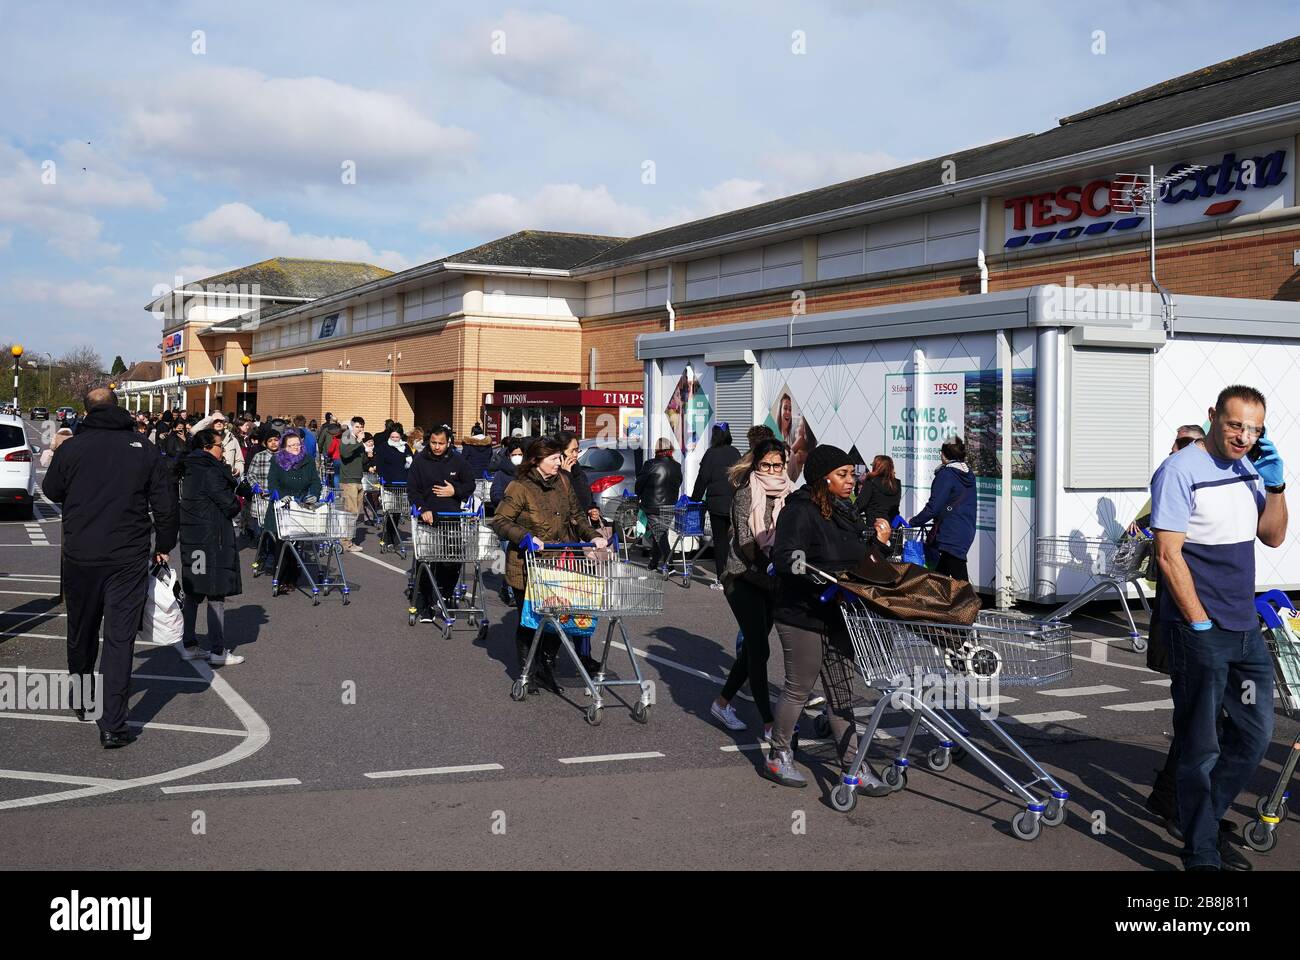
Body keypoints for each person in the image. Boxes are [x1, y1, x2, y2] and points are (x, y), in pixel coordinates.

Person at [1151, 384, 1286, 871]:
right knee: (1201, 746)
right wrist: (1200, 624)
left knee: (1254, 735)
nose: (1244, 437)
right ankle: (1201, 853)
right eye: (1235, 425)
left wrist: (1276, 487)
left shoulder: (1251, 468)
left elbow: (1272, 536)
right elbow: (1168, 554)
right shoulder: (1179, 470)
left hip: (1245, 627)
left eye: (1254, 429)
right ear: (1213, 416)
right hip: (1200, 631)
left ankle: (1200, 822)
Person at [41, 388, 177, 748]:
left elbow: (52, 491)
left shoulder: (72, 448)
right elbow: (165, 502)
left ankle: (83, 696)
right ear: (118, 408)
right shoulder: (142, 447)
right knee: (119, 638)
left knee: (81, 630)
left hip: (82, 553)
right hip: (127, 554)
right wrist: (164, 545)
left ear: (86, 412)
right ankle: (113, 724)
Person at [762, 443, 894, 794]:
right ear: (824, 479)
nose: (851, 480)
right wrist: (817, 576)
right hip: (801, 613)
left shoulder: (847, 513)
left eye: (852, 474)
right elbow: (785, 556)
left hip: (839, 613)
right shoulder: (799, 510)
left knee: (841, 692)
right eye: (843, 474)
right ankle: (778, 754)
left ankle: (853, 764)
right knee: (799, 687)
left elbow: (862, 564)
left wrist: (881, 544)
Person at [490, 437, 606, 694]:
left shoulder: (563, 482)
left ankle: (545, 668)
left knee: (558, 619)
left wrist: (593, 536)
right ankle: (527, 673)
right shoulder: (519, 487)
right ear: (537, 460)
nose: (558, 462)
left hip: (559, 564)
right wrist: (525, 537)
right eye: (553, 458)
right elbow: (500, 520)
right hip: (527, 565)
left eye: (559, 457)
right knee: (530, 622)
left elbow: (577, 516)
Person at [711, 438, 791, 739]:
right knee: (760, 648)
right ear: (756, 464)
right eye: (765, 465)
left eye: (777, 465)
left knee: (752, 652)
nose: (771, 470)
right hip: (741, 576)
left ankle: (721, 703)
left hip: (773, 580)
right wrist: (768, 564)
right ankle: (769, 723)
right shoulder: (746, 492)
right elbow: (745, 540)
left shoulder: (790, 493)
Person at [176, 430, 244, 665]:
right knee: (216, 593)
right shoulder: (210, 470)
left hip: (193, 537)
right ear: (207, 447)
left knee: (194, 592)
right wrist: (236, 494)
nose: (222, 450)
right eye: (219, 446)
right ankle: (218, 650)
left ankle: (189, 644)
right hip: (211, 539)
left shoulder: (190, 467)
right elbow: (230, 505)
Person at [407, 424, 474, 623]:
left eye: (441, 443)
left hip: (451, 518)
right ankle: (425, 604)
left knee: (451, 560)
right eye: (433, 443)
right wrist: (422, 508)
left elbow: (470, 485)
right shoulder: (420, 461)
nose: (437, 447)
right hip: (427, 519)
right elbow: (413, 490)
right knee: (427, 562)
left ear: (448, 442)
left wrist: (455, 491)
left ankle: (445, 595)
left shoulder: (458, 461)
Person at [909, 437, 976, 581]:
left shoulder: (946, 475)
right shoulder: (969, 474)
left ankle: (967, 598)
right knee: (940, 577)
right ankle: (932, 594)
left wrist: (913, 522)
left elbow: (933, 507)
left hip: (950, 532)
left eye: (941, 451)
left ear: (944, 454)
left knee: (961, 581)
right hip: (966, 529)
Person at [265, 431, 322, 594]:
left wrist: (314, 495)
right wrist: (281, 496)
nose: (296, 447)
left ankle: (292, 577)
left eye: (298, 444)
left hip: (300, 505)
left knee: (296, 543)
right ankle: (281, 579)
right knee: (282, 544)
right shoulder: (277, 460)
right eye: (291, 445)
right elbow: (272, 483)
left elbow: (315, 482)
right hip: (282, 507)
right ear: (284, 447)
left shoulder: (308, 461)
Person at [691, 423, 742, 590]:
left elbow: (702, 478)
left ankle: (721, 579)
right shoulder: (735, 452)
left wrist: (695, 499)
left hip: (717, 505)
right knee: (733, 541)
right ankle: (736, 574)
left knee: (720, 542)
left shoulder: (711, 453)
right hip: (734, 503)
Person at [635, 439, 682, 572]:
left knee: (660, 534)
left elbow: (639, 484)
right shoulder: (677, 466)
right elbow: (678, 483)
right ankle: (653, 563)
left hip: (652, 505)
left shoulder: (650, 464)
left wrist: (638, 495)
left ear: (657, 449)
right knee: (660, 533)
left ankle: (670, 564)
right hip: (670, 505)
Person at [556, 430, 602, 527]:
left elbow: (588, 499)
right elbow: (560, 500)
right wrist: (565, 474)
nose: (575, 454)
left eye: (577, 450)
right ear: (560, 453)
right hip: (564, 528)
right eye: (571, 451)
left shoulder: (579, 472)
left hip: (582, 528)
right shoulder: (554, 473)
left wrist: (593, 510)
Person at [335, 416, 367, 553]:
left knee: (355, 513)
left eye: (361, 427)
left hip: (358, 479)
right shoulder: (347, 437)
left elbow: (362, 460)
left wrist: (367, 452)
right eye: (357, 427)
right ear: (351, 427)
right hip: (348, 480)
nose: (359, 429)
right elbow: (345, 453)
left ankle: (349, 540)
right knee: (351, 512)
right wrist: (359, 442)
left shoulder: (358, 441)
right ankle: (346, 542)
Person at [193, 412, 244, 479]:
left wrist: (238, 470)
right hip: (210, 478)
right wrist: (210, 419)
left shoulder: (233, 440)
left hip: (229, 479)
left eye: (221, 421)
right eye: (216, 421)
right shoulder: (204, 439)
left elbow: (239, 460)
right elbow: (193, 432)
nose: (219, 423)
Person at [857, 454, 902, 526]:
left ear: (876, 467)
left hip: (875, 526)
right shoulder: (897, 483)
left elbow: (860, 505)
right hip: (894, 525)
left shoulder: (871, 482)